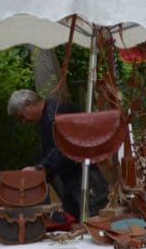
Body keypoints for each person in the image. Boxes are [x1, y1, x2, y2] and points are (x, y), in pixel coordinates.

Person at [6, 89, 108, 220]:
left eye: (21, 116)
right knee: (74, 220)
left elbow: (65, 147)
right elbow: (50, 151)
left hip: (85, 176)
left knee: (96, 221)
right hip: (71, 179)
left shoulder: (58, 112)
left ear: (28, 104)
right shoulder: (46, 117)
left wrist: (41, 168)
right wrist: (38, 168)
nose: (23, 121)